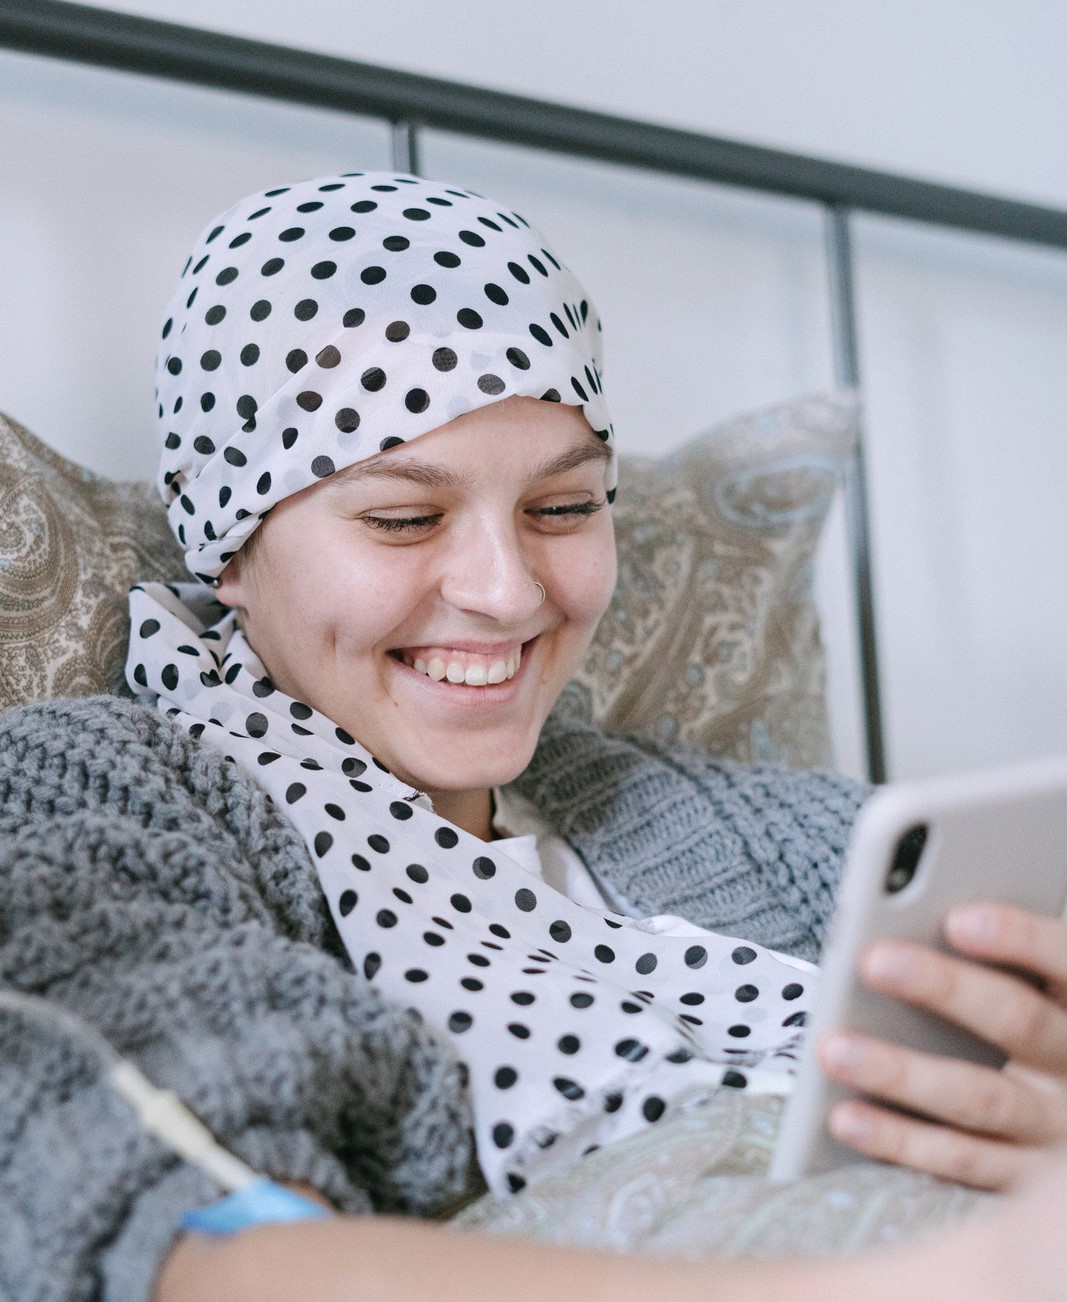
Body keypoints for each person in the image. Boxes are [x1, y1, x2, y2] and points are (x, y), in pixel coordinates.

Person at [0, 170, 1064, 1301]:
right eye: (403, 518)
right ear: (229, 541)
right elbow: (189, 1241)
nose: (508, 595)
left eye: (562, 508)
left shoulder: (732, 822)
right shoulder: (98, 796)